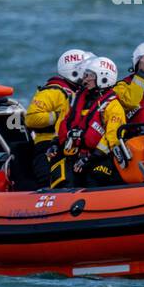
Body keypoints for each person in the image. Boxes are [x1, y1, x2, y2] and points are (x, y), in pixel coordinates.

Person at [49, 56, 126, 188]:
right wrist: (55, 143)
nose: (85, 78)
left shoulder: (113, 106)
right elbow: (62, 123)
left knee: (94, 178)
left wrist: (90, 158)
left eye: (90, 75)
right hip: (72, 155)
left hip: (98, 159)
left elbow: (112, 138)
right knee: (61, 179)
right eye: (85, 75)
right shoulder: (76, 100)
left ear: (104, 77)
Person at [23, 48, 90, 187]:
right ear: (74, 71)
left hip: (70, 145)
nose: (89, 74)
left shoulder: (82, 94)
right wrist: (59, 116)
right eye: (86, 71)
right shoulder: (53, 91)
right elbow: (31, 118)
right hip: (48, 145)